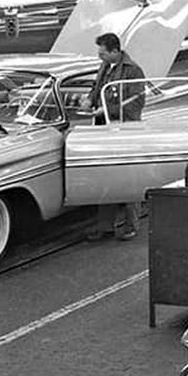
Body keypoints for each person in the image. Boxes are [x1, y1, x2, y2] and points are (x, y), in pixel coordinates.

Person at [81, 32, 146, 241]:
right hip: (105, 128)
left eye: (103, 53)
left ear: (115, 51)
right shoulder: (105, 67)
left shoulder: (132, 70)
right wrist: (89, 100)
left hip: (124, 129)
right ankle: (105, 226)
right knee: (105, 176)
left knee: (128, 177)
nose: (100, 57)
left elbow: (136, 100)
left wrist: (107, 109)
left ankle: (130, 224)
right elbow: (96, 88)